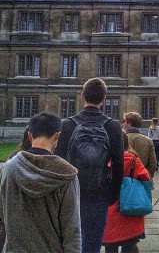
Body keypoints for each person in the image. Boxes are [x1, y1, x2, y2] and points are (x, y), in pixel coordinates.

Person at [0, 113, 81, 253]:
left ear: (29, 135)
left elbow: (1, 216)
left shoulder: (9, 168)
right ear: (57, 136)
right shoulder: (66, 174)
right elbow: (71, 230)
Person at [55, 78, 124, 253]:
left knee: (68, 244)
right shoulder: (113, 126)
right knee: (92, 245)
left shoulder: (67, 125)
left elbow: (58, 162)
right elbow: (118, 166)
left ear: (82, 96)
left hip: (71, 193)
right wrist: (112, 195)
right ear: (104, 99)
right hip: (99, 193)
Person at [102, 132, 151, 253]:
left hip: (110, 210)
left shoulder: (105, 161)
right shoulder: (134, 160)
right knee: (129, 246)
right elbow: (145, 179)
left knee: (110, 247)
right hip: (131, 209)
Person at [123, 112, 158, 179]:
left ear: (129, 123)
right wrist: (147, 177)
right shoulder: (148, 140)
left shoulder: (122, 139)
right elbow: (153, 164)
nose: (123, 124)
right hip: (142, 178)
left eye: (124, 121)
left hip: (125, 180)